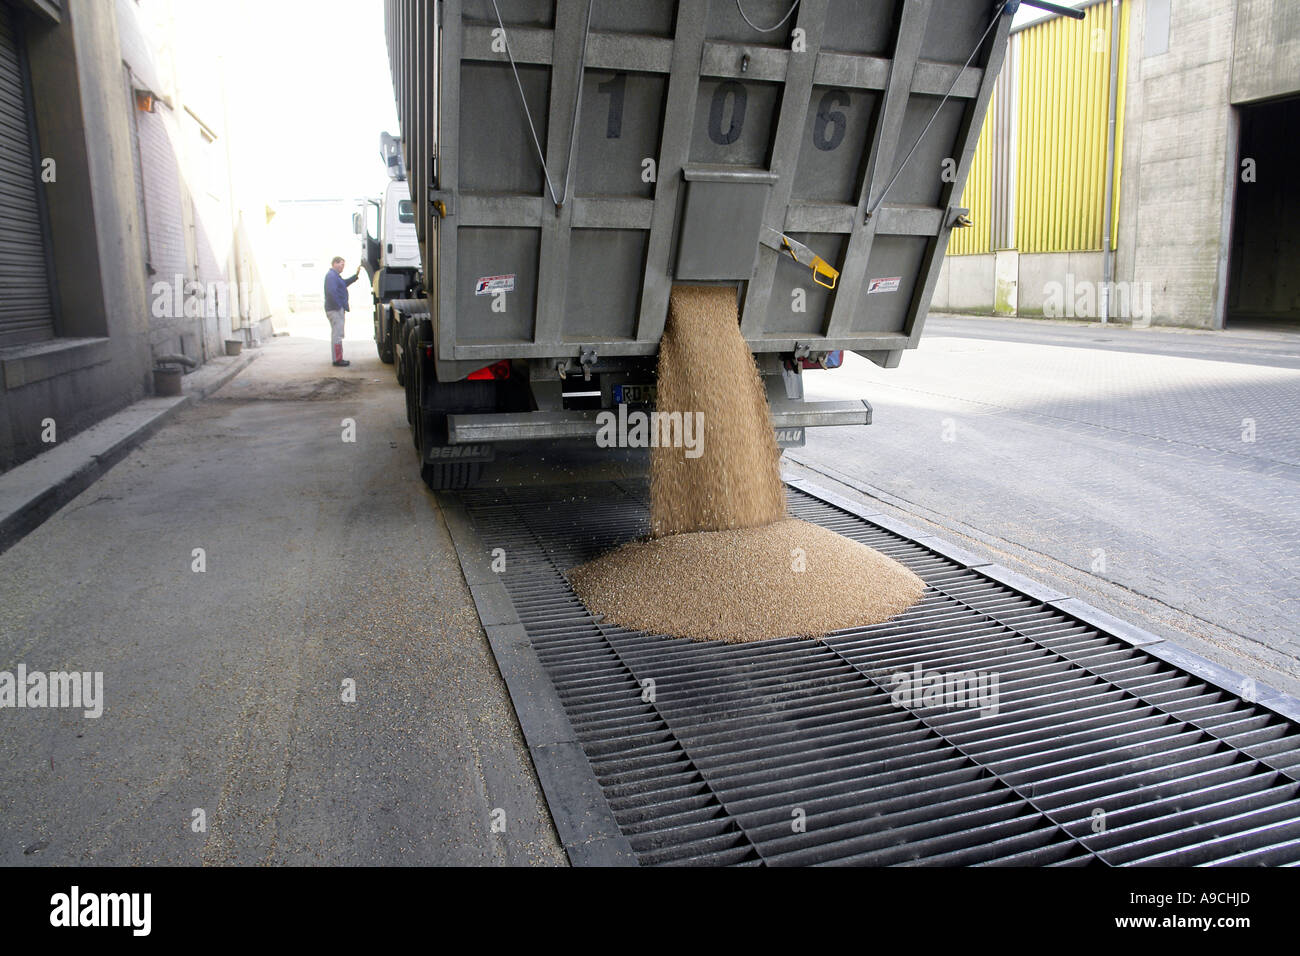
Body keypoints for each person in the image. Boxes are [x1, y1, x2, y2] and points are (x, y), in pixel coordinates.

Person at [324, 256, 362, 367]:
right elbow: (331, 292)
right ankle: (337, 360)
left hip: (335, 308)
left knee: (337, 334)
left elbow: (343, 283)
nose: (342, 267)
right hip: (335, 309)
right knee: (337, 335)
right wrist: (339, 306)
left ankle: (338, 358)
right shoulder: (331, 276)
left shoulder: (335, 276)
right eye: (341, 264)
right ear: (334, 263)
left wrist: (355, 277)